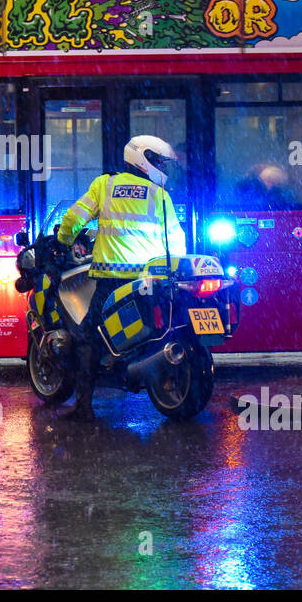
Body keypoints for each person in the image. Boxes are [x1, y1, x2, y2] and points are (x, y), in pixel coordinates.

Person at [54, 135, 186, 421]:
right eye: (158, 161)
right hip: (145, 282)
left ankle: (84, 406)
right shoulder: (159, 195)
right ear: (144, 159)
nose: (161, 167)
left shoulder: (105, 185)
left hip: (111, 279)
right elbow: (176, 239)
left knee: (88, 336)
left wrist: (64, 240)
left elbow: (73, 218)